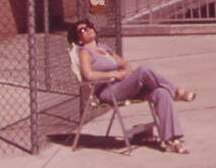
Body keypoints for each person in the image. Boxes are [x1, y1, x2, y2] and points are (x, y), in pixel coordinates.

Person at [68, 19, 196, 154]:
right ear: (79, 40)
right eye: (82, 30)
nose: (88, 30)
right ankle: (175, 91)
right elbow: (88, 75)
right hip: (107, 90)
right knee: (143, 70)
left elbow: (126, 66)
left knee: (160, 93)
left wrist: (123, 73)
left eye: (89, 27)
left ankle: (171, 140)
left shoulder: (105, 49)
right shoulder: (85, 52)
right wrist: (114, 74)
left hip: (123, 86)